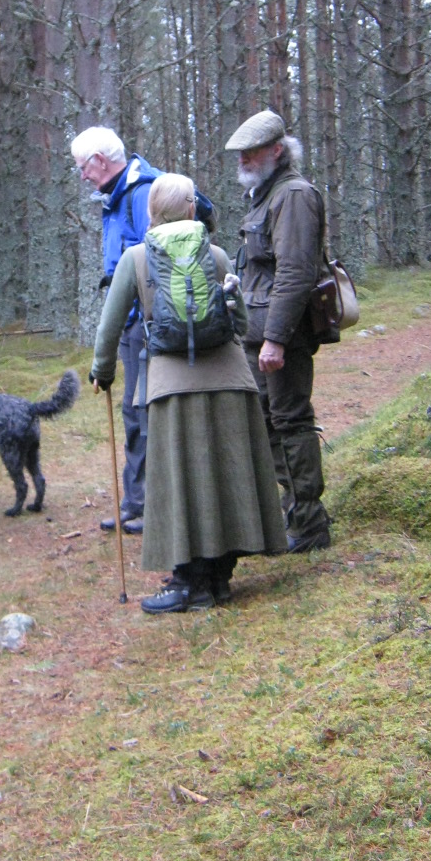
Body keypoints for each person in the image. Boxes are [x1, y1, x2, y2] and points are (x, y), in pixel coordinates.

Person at [90, 172, 286, 613]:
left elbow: (110, 326)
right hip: (230, 381)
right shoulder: (215, 255)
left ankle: (188, 585)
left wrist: (102, 371)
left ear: (151, 211)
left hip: (171, 388)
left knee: (180, 483)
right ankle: (218, 579)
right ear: (193, 209)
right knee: (227, 476)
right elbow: (239, 325)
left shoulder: (136, 258)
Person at [225, 109, 332, 551]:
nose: (243, 160)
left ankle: (309, 522)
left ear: (276, 150)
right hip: (258, 335)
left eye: (251, 152)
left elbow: (295, 272)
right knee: (266, 421)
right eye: (240, 153)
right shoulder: (266, 195)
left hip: (280, 338)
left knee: (290, 420)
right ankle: (292, 511)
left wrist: (276, 339)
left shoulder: (294, 196)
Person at [69, 127, 161, 536]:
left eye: (83, 168)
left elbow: (152, 261)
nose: (82, 176)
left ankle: (150, 505)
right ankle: (135, 502)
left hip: (147, 322)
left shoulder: (142, 193)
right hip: (129, 320)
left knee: (145, 412)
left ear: (100, 161)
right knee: (132, 411)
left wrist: (139, 316)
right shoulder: (116, 195)